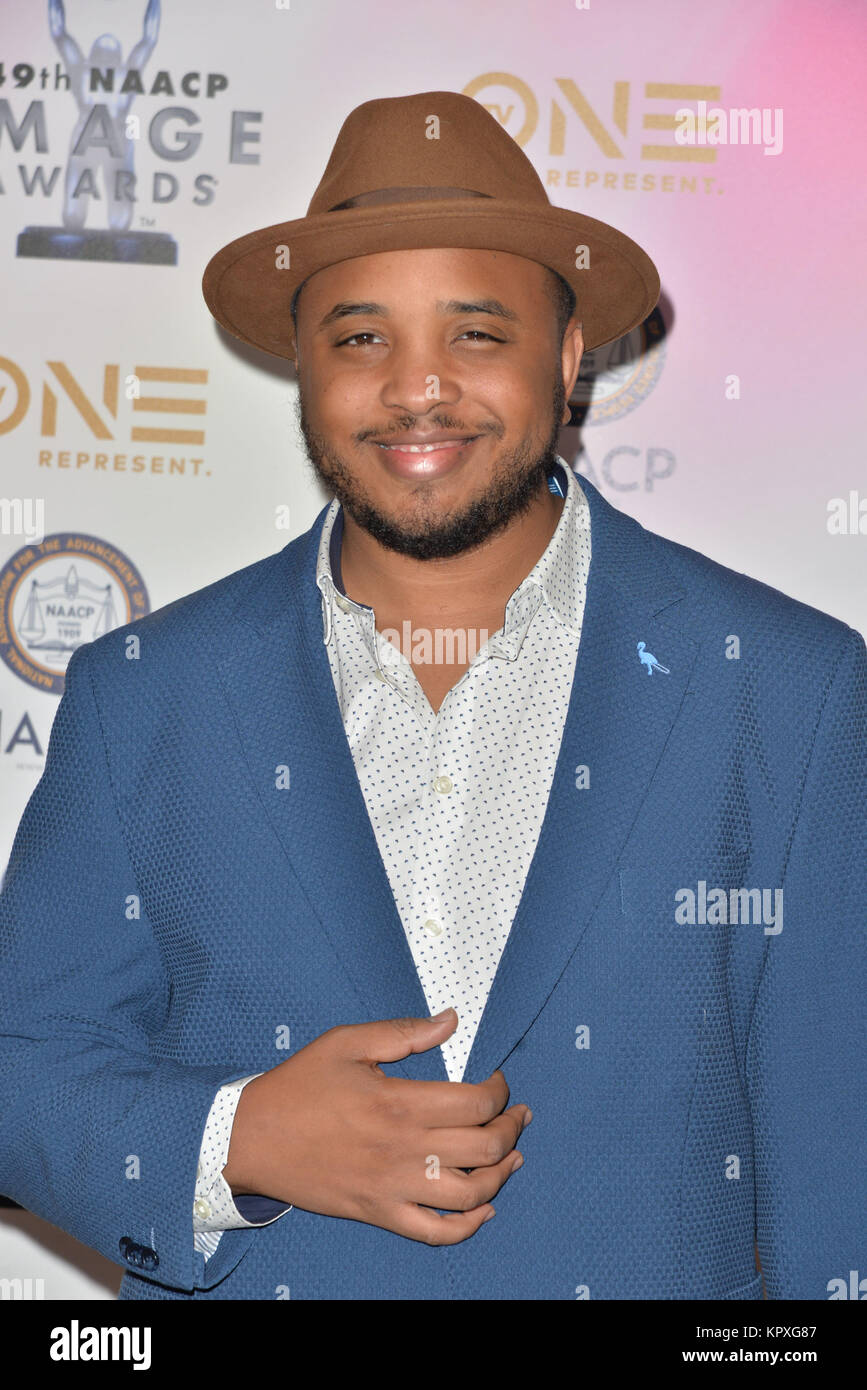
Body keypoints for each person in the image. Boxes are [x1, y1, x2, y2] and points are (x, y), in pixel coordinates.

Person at [0, 90, 864, 1301]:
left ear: (568, 360)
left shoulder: (786, 687)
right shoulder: (144, 697)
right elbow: (21, 1066)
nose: (417, 389)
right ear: (300, 366)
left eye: (474, 333)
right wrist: (236, 1140)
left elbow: (842, 1180)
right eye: (360, 339)